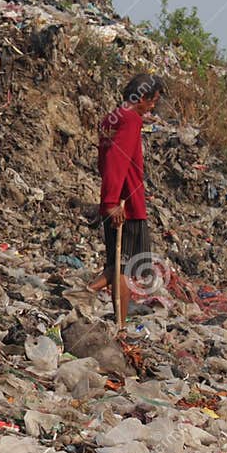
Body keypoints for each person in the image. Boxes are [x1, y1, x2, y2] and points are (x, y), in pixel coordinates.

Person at [88, 73, 164, 327]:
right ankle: (117, 322)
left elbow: (105, 161)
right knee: (125, 267)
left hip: (119, 199)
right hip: (126, 204)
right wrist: (111, 202)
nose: (152, 107)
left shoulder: (113, 117)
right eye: (152, 101)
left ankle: (91, 298)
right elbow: (116, 160)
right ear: (141, 98)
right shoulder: (131, 120)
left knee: (118, 264)